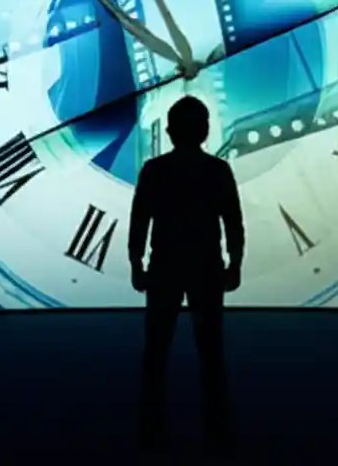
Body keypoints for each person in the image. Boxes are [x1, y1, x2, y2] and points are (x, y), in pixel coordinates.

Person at [128, 95, 245, 454]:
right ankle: (217, 428)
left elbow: (140, 222)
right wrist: (234, 263)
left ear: (169, 131)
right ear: (206, 129)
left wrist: (137, 264)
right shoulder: (218, 170)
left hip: (165, 266)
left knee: (156, 350)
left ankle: (151, 425)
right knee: (211, 349)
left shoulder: (153, 170)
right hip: (206, 266)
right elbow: (233, 223)